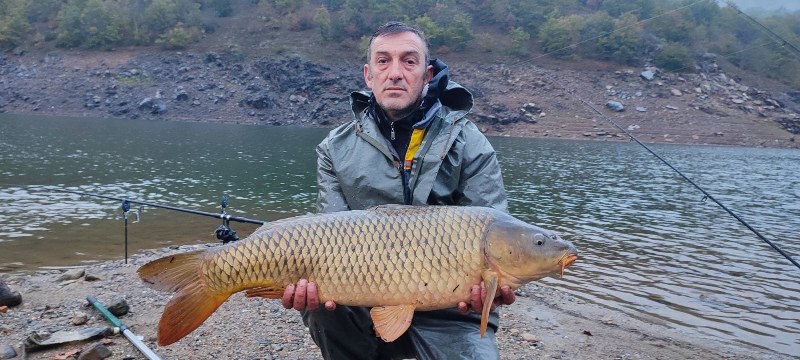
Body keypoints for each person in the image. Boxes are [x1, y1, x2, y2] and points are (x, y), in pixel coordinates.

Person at [282, 21, 514, 360]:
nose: (395, 72)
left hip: (452, 310)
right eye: (383, 61)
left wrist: (495, 287)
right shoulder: (335, 147)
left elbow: (497, 231)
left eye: (409, 61)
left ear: (426, 73)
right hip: (360, 298)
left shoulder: (471, 143)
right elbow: (327, 235)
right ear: (368, 74)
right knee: (320, 303)